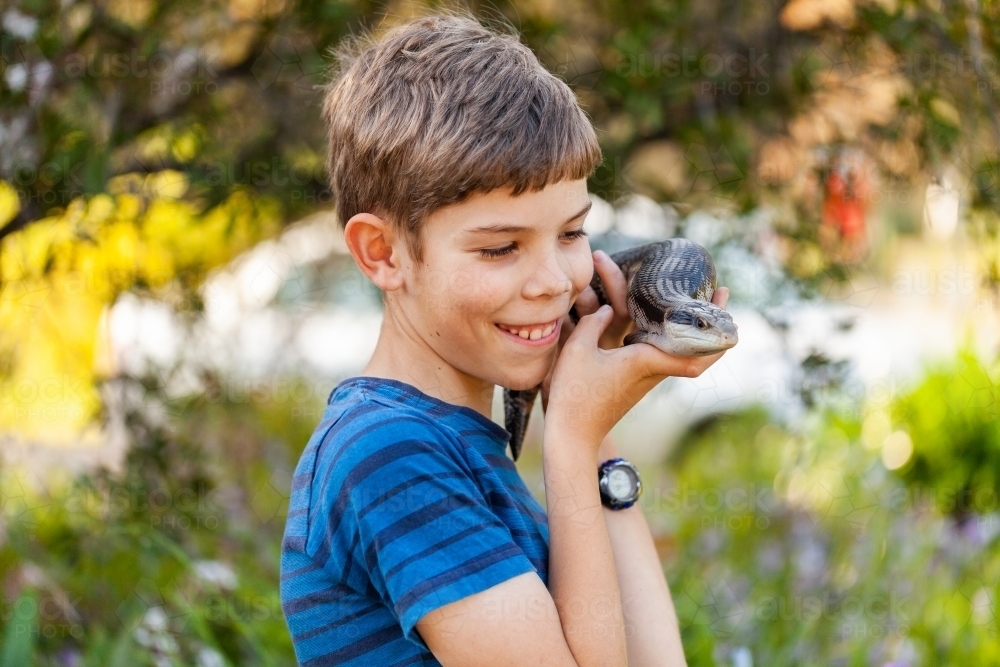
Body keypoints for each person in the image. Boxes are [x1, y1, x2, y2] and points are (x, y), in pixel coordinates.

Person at [280, 12, 731, 667]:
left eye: (572, 233)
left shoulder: (459, 446)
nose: (553, 280)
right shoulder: (386, 455)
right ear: (382, 253)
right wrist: (571, 443)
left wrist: (594, 431)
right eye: (500, 247)